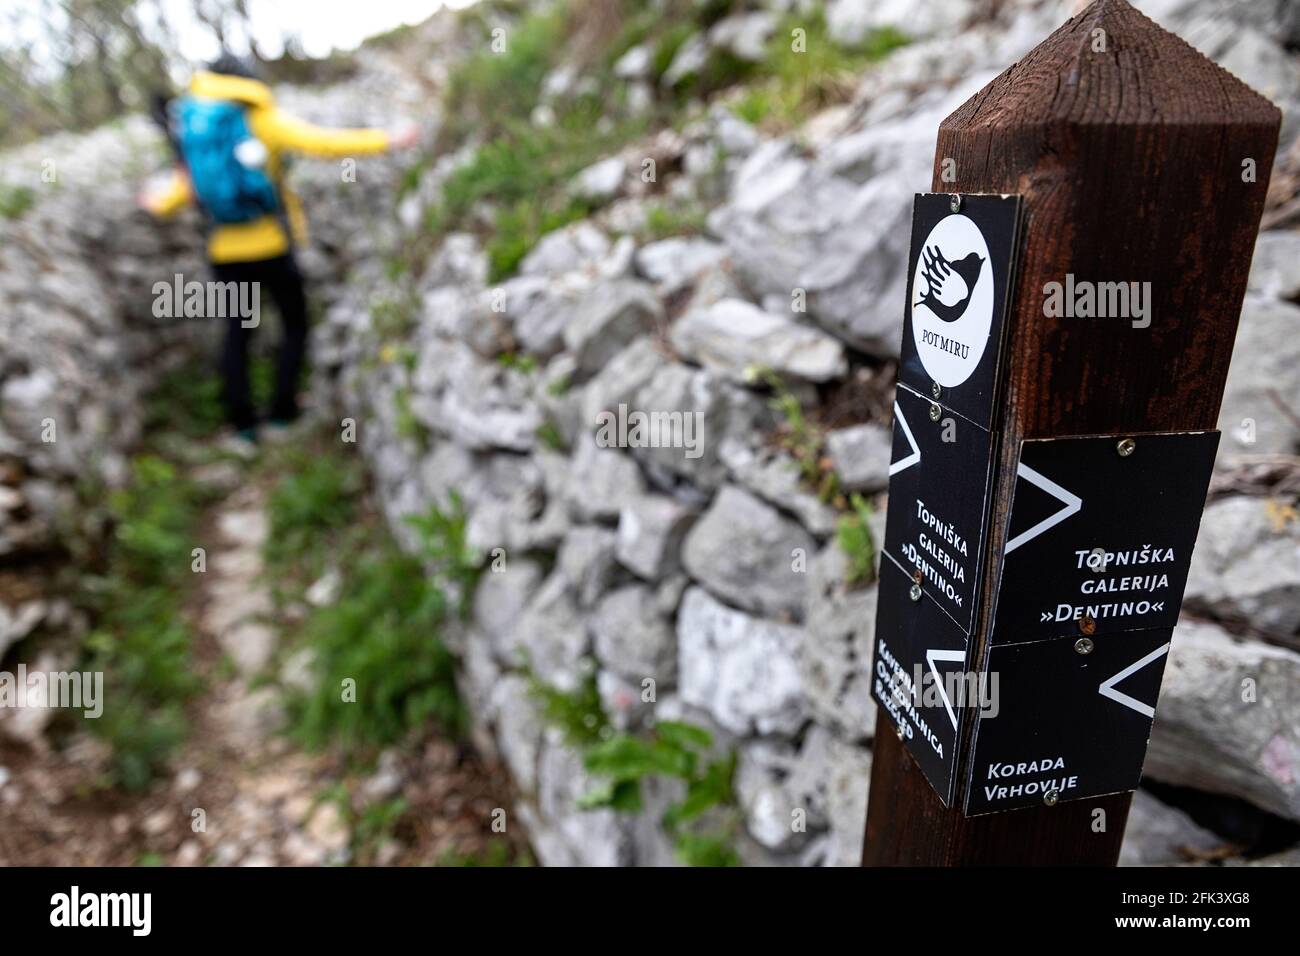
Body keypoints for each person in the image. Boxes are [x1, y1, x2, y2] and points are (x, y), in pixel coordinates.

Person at [141, 54, 417, 447]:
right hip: (271, 245)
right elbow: (322, 142)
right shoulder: (257, 118)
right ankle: (282, 415)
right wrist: (388, 139)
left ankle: (242, 428)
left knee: (238, 336)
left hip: (225, 251)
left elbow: (182, 191)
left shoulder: (194, 127)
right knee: (294, 325)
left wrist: (155, 203)